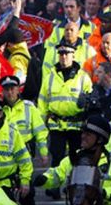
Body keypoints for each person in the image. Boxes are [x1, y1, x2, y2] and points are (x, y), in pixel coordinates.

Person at [37, 41, 92, 195]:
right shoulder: (50, 77)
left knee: (76, 157)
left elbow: (91, 101)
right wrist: (41, 127)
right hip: (56, 125)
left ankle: (75, 185)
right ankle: (54, 186)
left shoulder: (83, 78)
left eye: (67, 53)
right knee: (57, 156)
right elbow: (42, 101)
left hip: (76, 125)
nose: (63, 57)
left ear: (73, 55)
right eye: (61, 54)